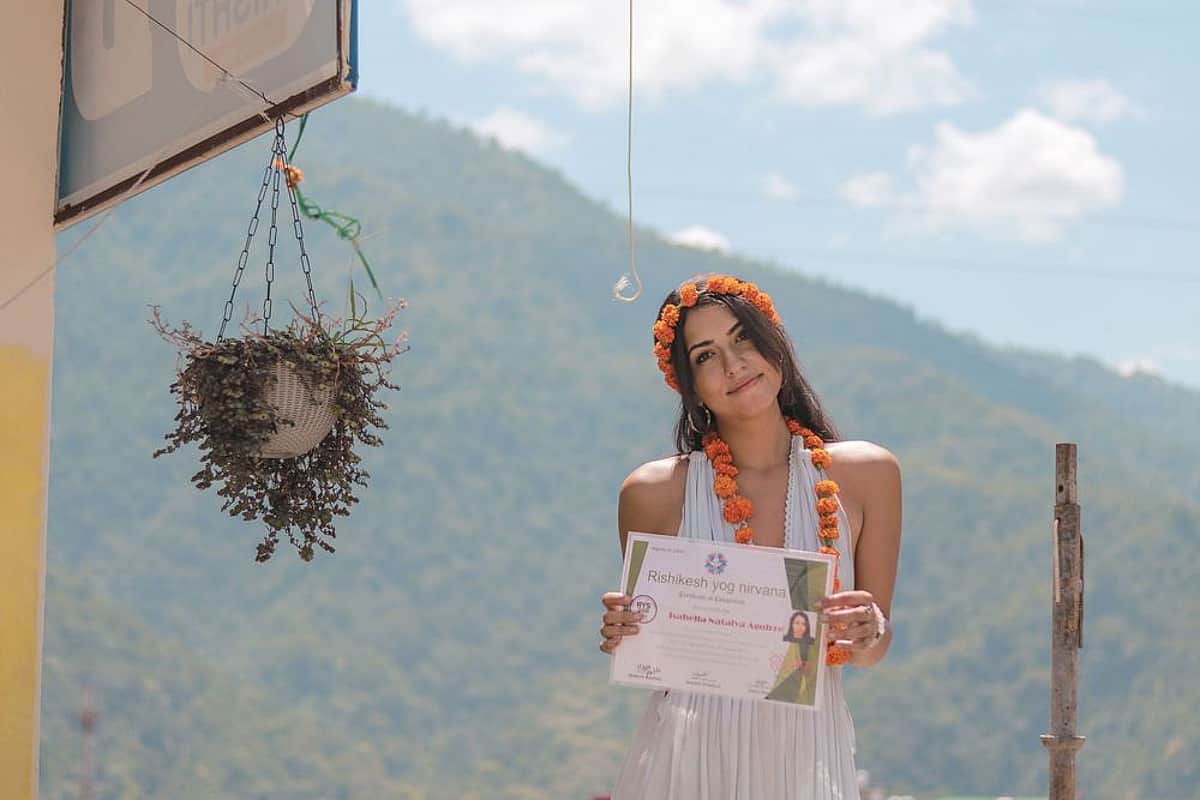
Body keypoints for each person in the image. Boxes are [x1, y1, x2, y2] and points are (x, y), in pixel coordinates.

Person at [599, 274, 902, 800]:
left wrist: (870, 630)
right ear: (687, 384)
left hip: (808, 764)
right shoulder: (651, 494)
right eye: (705, 355)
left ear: (774, 343)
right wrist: (628, 627)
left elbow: (869, 652)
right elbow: (664, 656)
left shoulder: (868, 475)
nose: (734, 364)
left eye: (743, 338)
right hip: (684, 765)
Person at [766, 611, 818, 705]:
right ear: (791, 624)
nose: (800, 627)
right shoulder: (783, 639)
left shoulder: (812, 643)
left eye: (803, 624)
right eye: (797, 623)